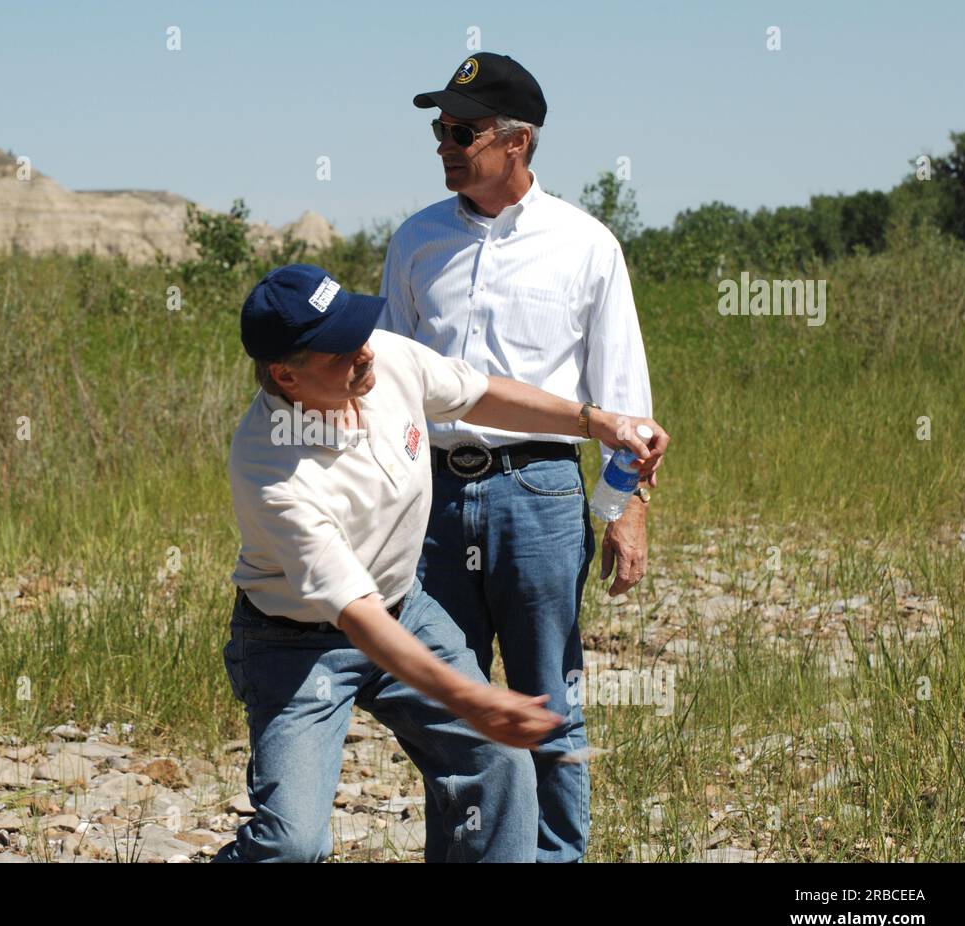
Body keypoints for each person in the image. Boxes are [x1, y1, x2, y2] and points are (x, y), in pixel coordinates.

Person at [216, 263, 666, 862]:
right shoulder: (270, 469)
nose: (364, 353)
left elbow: (481, 393)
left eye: (359, 331)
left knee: (501, 762)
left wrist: (597, 422)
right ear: (285, 375)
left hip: (405, 608)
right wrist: (473, 698)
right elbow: (358, 617)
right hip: (297, 644)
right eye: (340, 349)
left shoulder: (383, 361)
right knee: (292, 844)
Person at [377, 52, 658, 862]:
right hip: (432, 498)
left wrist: (627, 512)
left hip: (536, 492)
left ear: (519, 142)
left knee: (548, 699)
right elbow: (392, 383)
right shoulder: (416, 241)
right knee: (451, 699)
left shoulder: (587, 245)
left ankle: (556, 855)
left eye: (463, 131)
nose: (444, 146)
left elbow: (624, 395)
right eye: (439, 130)